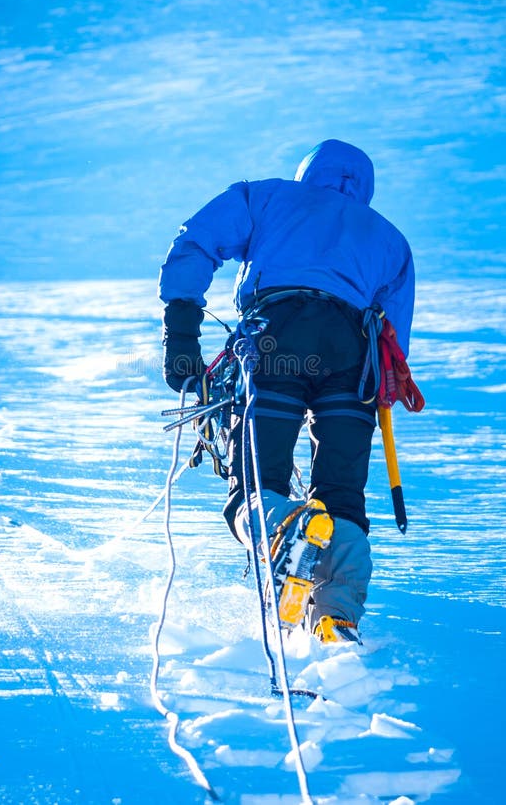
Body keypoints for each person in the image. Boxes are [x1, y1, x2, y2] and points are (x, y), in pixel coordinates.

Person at [158, 139, 414, 643]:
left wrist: (182, 328)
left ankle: (284, 525)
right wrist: (377, 394)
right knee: (343, 497)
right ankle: (336, 612)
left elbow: (196, 241)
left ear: (308, 172)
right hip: (353, 355)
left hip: (277, 335)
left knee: (255, 483)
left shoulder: (269, 197)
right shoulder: (391, 240)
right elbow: (394, 343)